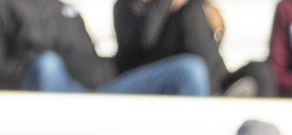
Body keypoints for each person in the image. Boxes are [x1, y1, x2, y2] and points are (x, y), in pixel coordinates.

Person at [0, 0, 211, 94]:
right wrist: (32, 72)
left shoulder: (65, 9)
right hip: (58, 98)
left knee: (190, 70)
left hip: (102, 93)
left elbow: (93, 62)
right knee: (48, 65)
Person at [114, 0, 276, 97]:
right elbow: (144, 40)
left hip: (211, 75)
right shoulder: (125, 6)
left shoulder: (191, 9)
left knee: (260, 71)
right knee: (193, 68)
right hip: (150, 77)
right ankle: (216, 94)